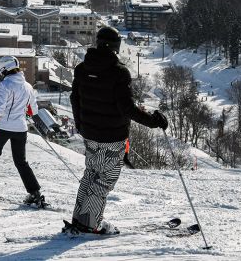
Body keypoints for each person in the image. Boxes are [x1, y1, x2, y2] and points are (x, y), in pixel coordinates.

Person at [66, 27, 168, 235]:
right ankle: (90, 223)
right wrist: (154, 122)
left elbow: (74, 99)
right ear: (115, 46)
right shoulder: (118, 72)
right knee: (104, 179)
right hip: (112, 136)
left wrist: (81, 125)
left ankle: (81, 218)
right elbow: (127, 108)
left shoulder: (81, 68)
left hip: (90, 133)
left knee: (91, 175)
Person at [0, 56, 45, 207]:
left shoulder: (5, 85)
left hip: (3, 127)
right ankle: (35, 194)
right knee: (21, 162)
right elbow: (33, 110)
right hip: (21, 129)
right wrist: (22, 111)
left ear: (4, 69)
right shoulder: (28, 86)